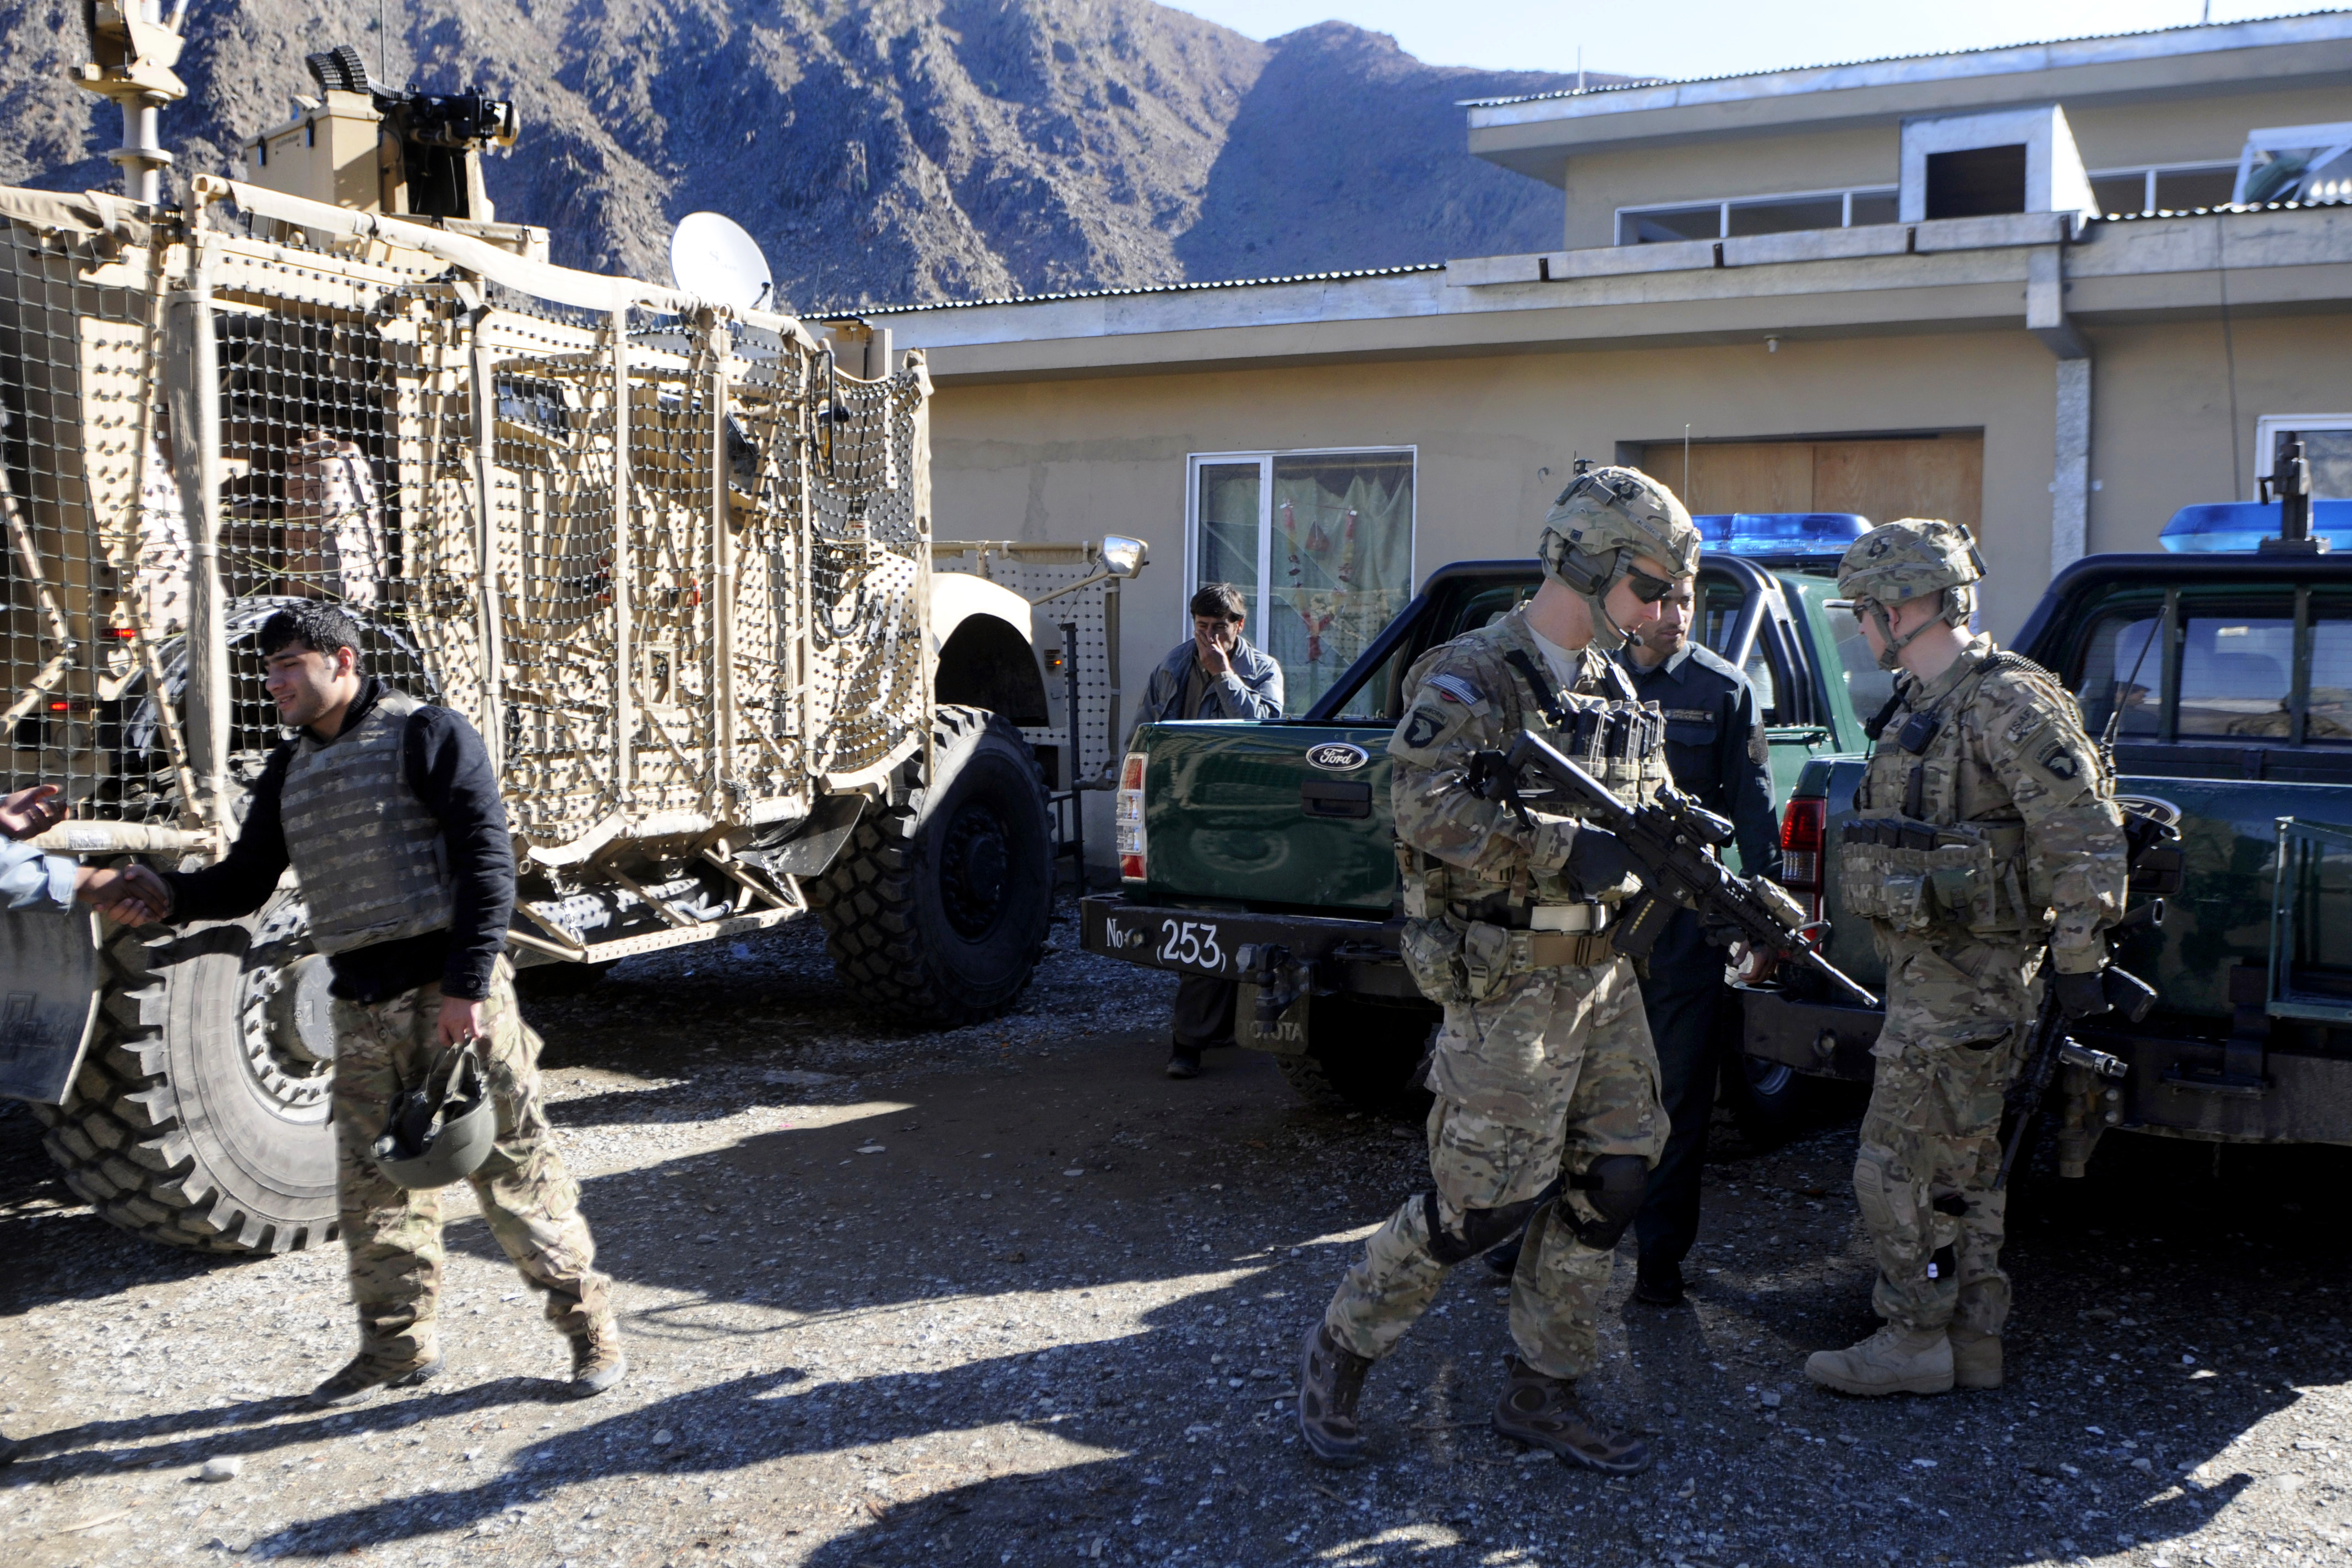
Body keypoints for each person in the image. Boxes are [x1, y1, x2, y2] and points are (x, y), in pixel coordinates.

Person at [103, 603, 625, 1408]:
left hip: (452, 995)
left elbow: (488, 864)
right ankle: (396, 1348)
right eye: (269, 669)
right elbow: (246, 880)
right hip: (360, 1004)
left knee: (513, 1167)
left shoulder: (426, 733)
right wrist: (167, 894)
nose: (273, 682)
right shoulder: (291, 767)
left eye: (289, 665)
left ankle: (591, 1332)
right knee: (375, 1190)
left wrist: (466, 988)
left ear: (342, 663)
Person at [1294, 464, 1697, 1475]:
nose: (1661, 611)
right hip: (1509, 975)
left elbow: (1645, 805)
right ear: (1589, 565)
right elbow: (1420, 807)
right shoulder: (1473, 674)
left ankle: (1542, 1388)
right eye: (1649, 587)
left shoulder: (1611, 684)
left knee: (1614, 1177)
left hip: (1599, 971)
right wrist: (1562, 847)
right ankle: (1344, 1344)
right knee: (1485, 1202)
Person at [1806, 519, 2125, 1397]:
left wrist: (2079, 954)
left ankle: (1912, 1337)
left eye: (1864, 611)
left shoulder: (2007, 703)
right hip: (1933, 974)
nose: (1860, 628)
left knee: (1892, 1167)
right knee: (1964, 1169)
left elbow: (2085, 833)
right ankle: (1973, 1337)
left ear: (1902, 608)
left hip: (1970, 985)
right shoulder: (1925, 703)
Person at [1614, 575, 1780, 1306]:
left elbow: (1755, 809)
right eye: (1662, 601)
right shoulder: (1593, 680)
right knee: (1566, 1081)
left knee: (1678, 1097)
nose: (1676, 615)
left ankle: (1658, 1258)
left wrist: (1766, 922)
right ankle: (1538, 1236)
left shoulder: (1723, 689)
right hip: (1595, 916)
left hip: (1683, 927)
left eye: (1687, 600)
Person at [1130, 582, 1283, 1079]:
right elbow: (1142, 735)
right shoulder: (1172, 667)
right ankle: (1200, 1033)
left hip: (1240, 813)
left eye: (1220, 628)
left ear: (1239, 626)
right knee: (1197, 923)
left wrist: (1225, 677)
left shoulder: (1262, 669)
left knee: (1223, 919)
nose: (1210, 638)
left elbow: (1268, 731)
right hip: (1181, 812)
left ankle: (1192, 1040)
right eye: (1202, 628)